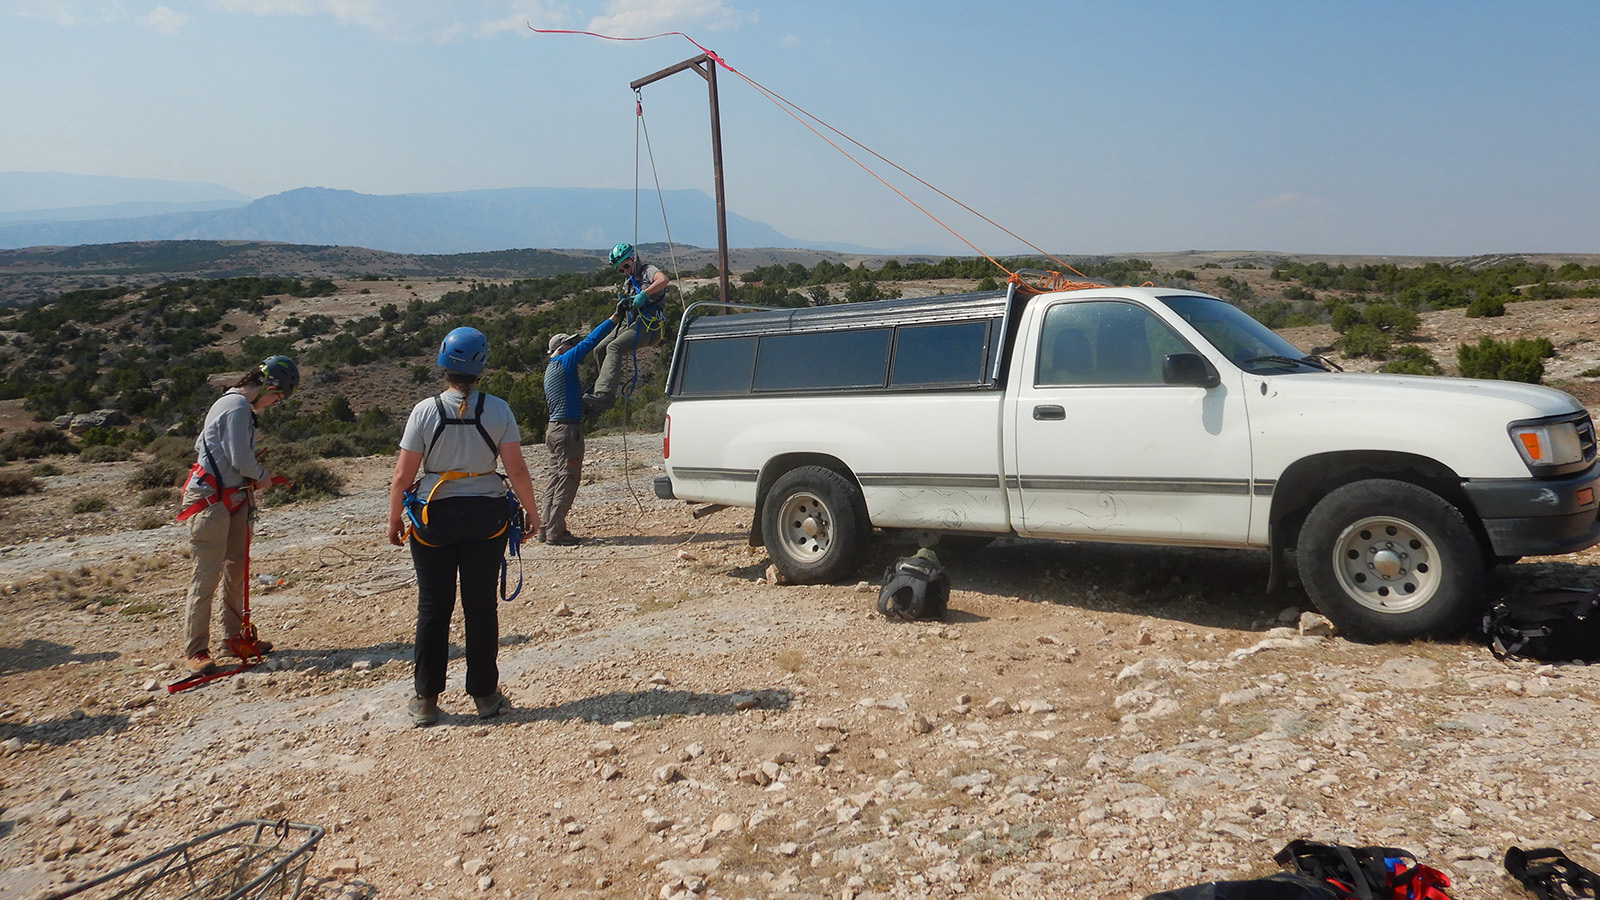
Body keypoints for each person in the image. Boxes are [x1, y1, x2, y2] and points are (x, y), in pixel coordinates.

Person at [387, 327, 539, 727]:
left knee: (433, 607)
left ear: (443, 364)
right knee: (480, 606)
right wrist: (532, 512)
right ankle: (485, 695)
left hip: (433, 516)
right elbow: (516, 469)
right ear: (481, 367)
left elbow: (403, 476)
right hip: (486, 515)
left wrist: (392, 519)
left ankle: (426, 699)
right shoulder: (498, 409)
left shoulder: (423, 412)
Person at [178, 355, 298, 675]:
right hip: (212, 501)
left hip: (230, 497)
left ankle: (233, 638)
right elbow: (240, 458)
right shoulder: (237, 407)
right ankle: (196, 649)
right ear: (268, 386)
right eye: (277, 397)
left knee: (235, 570)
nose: (274, 403)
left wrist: (252, 476)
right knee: (206, 575)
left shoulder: (236, 406)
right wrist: (262, 475)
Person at [542, 306, 624, 546]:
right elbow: (590, 342)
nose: (572, 347)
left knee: (554, 479)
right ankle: (556, 532)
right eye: (569, 344)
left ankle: (545, 528)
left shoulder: (551, 370)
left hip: (554, 429)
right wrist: (615, 318)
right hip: (568, 431)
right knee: (568, 478)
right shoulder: (564, 361)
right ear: (560, 348)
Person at [584, 242, 669, 412]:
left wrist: (645, 294)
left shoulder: (647, 270)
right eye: (621, 270)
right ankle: (602, 388)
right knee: (599, 349)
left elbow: (663, 280)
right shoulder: (628, 283)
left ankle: (605, 393)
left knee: (614, 347)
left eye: (626, 266)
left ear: (633, 258)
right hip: (633, 321)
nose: (625, 271)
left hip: (650, 323)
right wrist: (624, 304)